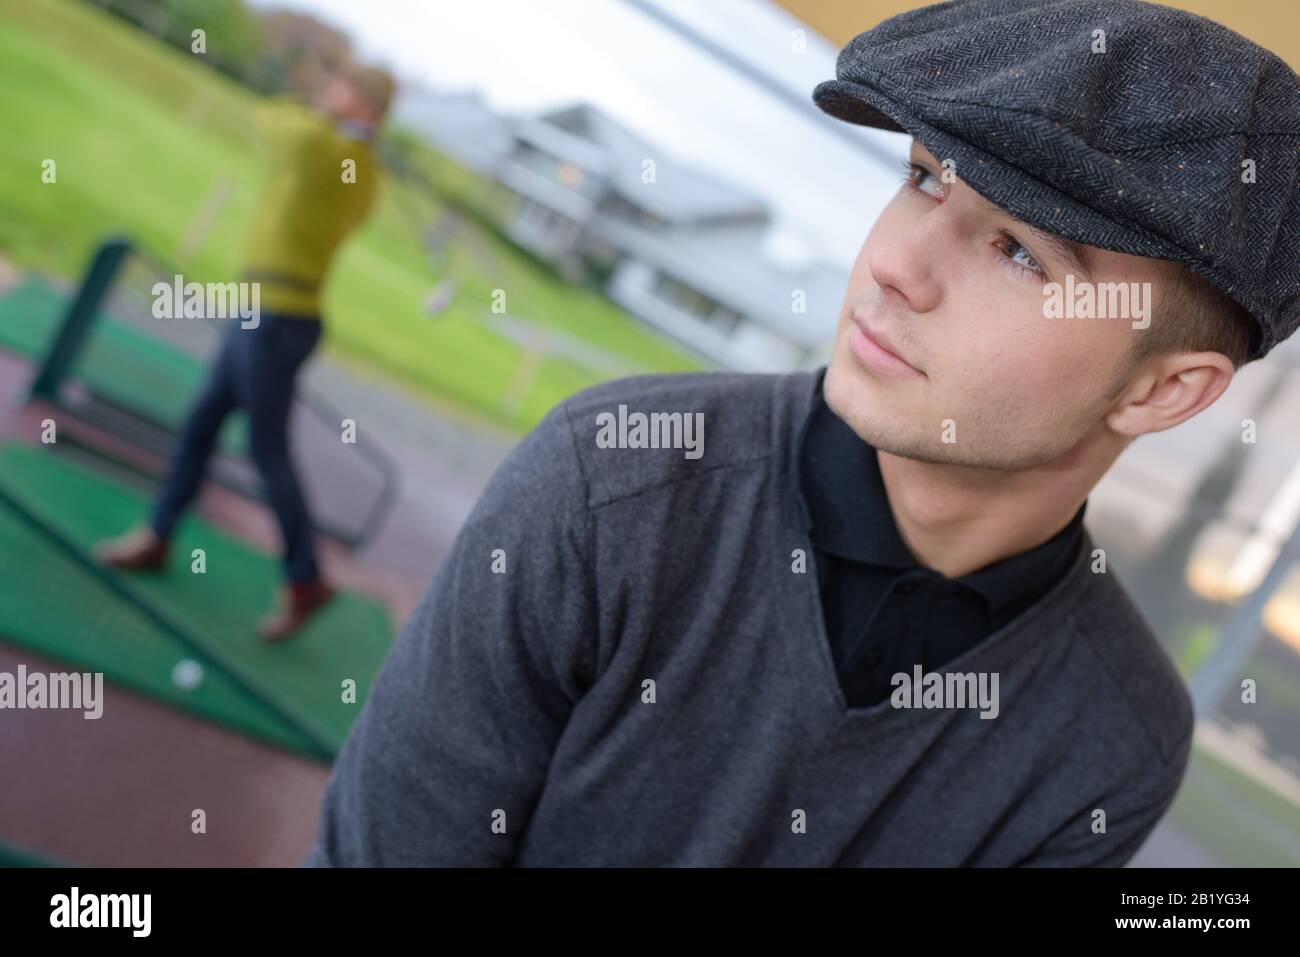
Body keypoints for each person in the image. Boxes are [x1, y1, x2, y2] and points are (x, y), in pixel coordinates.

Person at [305, 0, 1300, 865]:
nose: (895, 267)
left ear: (1164, 393)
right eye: (922, 181)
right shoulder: (608, 486)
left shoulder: (1114, 741)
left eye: (1016, 252)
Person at [96, 61, 396, 641]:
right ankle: (159, 536)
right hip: (269, 314)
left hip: (275, 319)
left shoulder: (320, 146)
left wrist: (326, 115)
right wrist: (348, 123)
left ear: (366, 107)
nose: (327, 92)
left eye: (341, 88)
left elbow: (269, 116)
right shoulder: (358, 166)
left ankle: (305, 581)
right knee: (203, 426)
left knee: (266, 453)